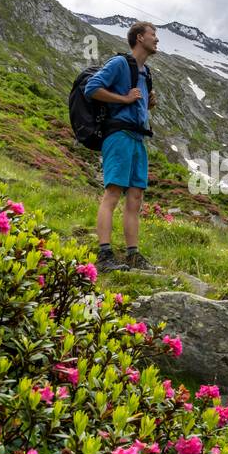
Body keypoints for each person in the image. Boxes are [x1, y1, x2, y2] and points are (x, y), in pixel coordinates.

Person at [85, 20, 159, 272]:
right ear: (139, 38)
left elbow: (136, 103)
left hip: (138, 138)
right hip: (118, 135)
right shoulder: (119, 63)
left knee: (136, 197)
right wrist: (124, 98)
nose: (156, 39)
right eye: (153, 34)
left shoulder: (146, 73)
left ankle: (133, 255)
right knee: (113, 192)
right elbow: (91, 88)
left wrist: (146, 105)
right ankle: (104, 255)